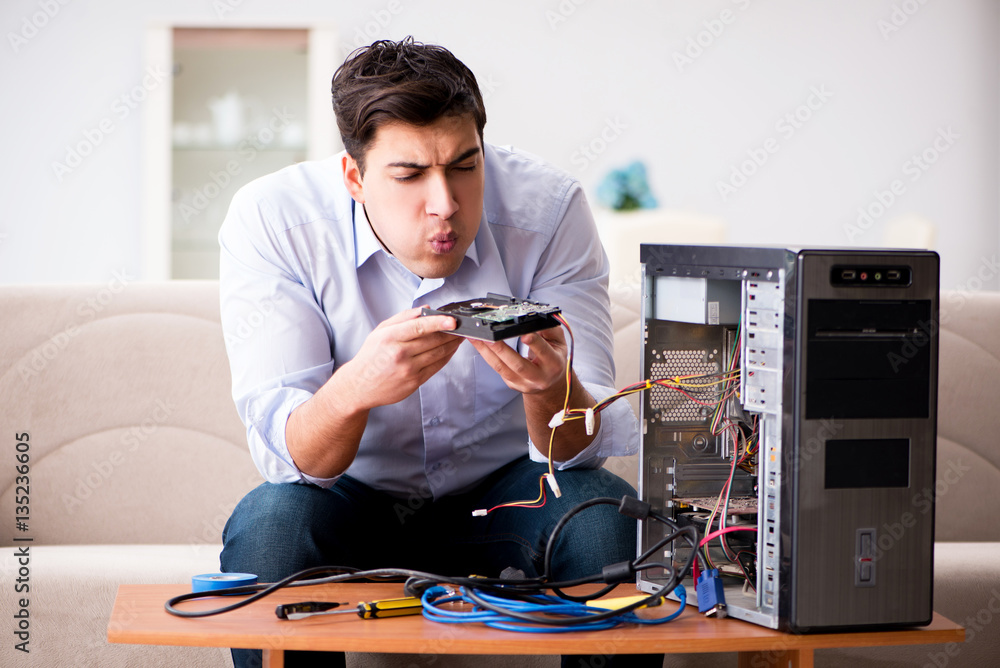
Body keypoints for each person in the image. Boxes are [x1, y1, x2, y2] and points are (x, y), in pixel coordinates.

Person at [218, 37, 656, 668]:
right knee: (272, 528)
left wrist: (549, 388)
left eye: (463, 166)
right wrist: (356, 387)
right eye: (409, 175)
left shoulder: (550, 210)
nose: (445, 204)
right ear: (354, 176)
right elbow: (297, 459)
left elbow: (577, 451)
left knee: (604, 521)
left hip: (509, 497)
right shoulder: (273, 222)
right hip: (351, 499)